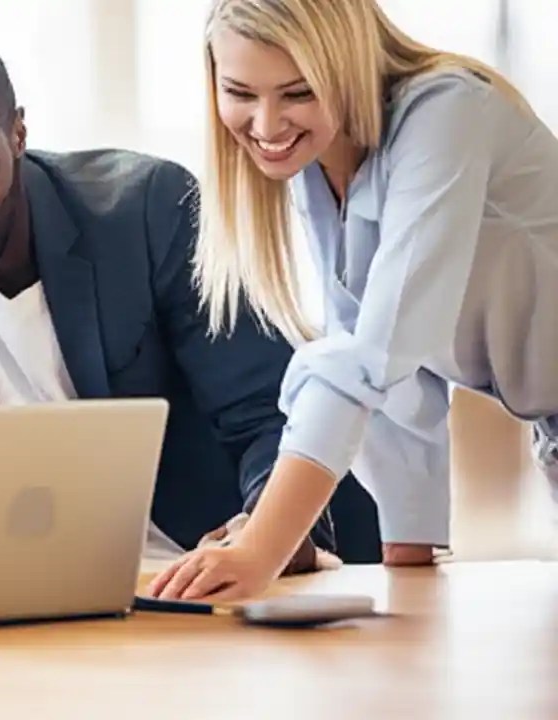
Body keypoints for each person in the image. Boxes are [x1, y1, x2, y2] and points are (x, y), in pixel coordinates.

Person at [0, 25, 382, 566]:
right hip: (38, 586)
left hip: (208, 562)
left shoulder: (147, 210)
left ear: (18, 135)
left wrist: (265, 537)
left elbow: (267, 411)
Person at [149, 0, 558, 601]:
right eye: (239, 92)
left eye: (297, 93)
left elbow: (374, 356)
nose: (266, 125)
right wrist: (409, 561)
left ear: (347, 67)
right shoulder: (318, 165)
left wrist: (261, 547)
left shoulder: (445, 112)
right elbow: (391, 375)